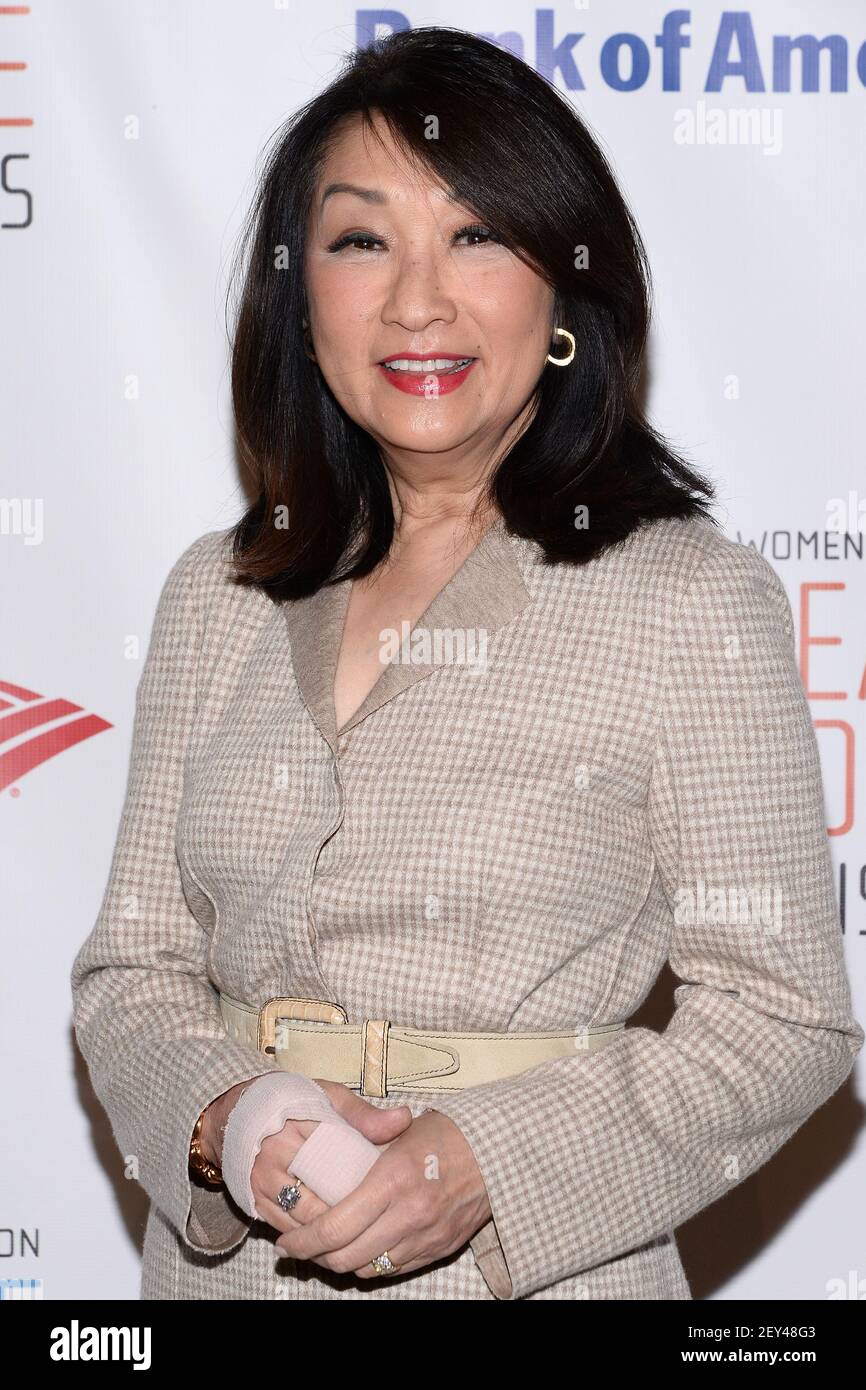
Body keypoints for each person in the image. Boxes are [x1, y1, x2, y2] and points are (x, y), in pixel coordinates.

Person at [71, 26, 863, 1301]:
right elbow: (132, 972)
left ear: (564, 288)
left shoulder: (686, 601)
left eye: (477, 235)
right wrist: (225, 1118)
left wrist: (487, 1161)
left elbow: (782, 1016)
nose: (417, 300)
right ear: (300, 292)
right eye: (361, 239)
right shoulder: (219, 593)